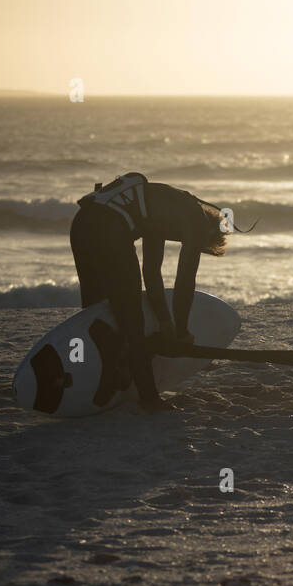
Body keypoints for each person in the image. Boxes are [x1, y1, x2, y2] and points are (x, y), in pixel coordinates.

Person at [69, 173, 229, 411]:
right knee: (132, 320)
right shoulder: (197, 221)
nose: (192, 245)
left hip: (81, 225)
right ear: (208, 234)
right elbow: (185, 281)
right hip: (111, 229)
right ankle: (149, 398)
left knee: (97, 309)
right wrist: (182, 332)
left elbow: (152, 273)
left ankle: (96, 372)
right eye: (200, 247)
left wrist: (165, 320)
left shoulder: (162, 206)